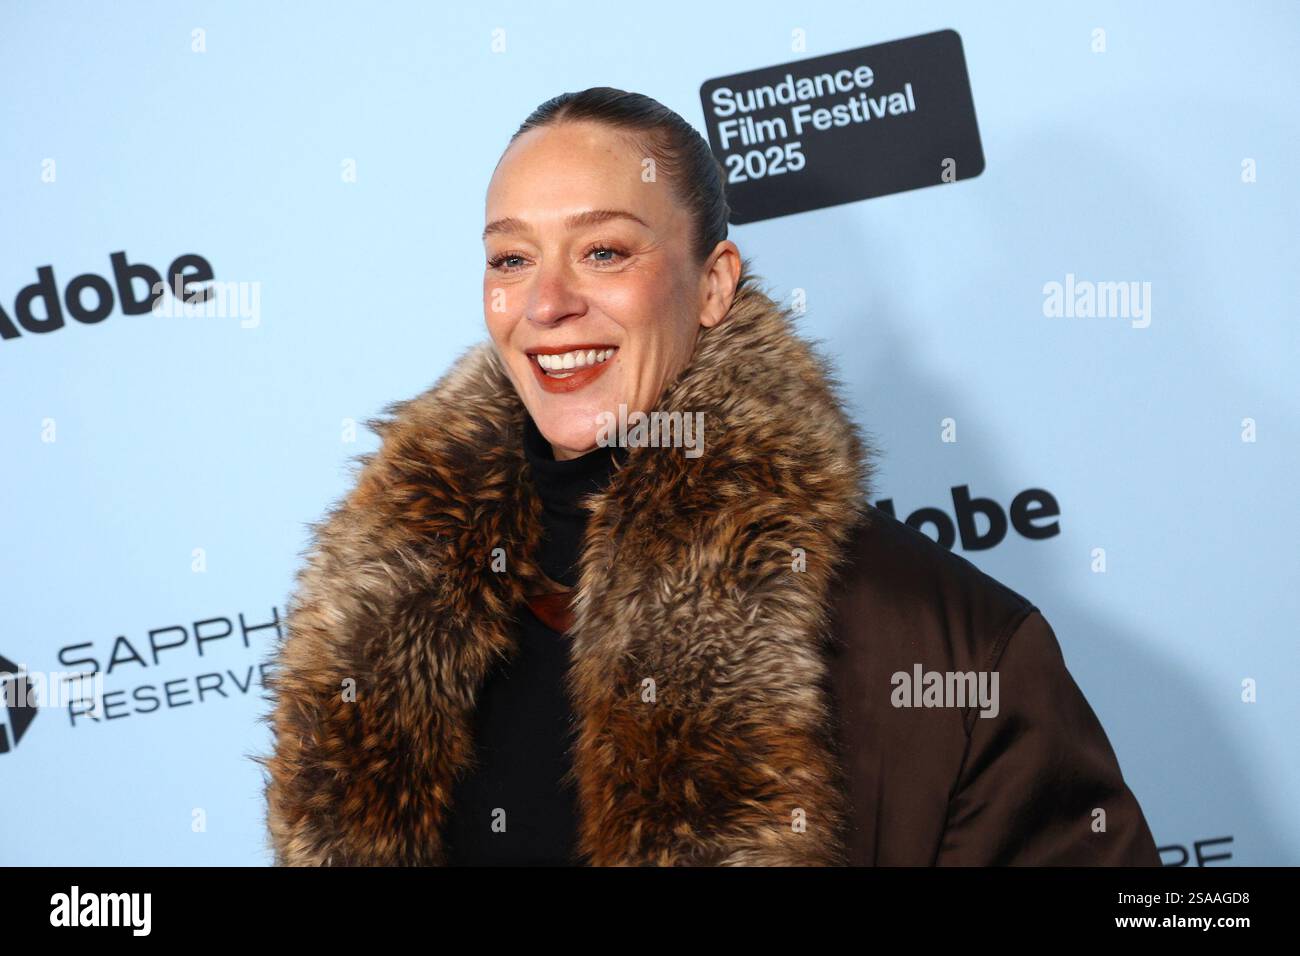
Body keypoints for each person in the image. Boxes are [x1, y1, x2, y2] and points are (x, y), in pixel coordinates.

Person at [259, 87, 1160, 866]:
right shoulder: (383, 607)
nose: (547, 304)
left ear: (715, 282)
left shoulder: (951, 645)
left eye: (605, 251)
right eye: (511, 258)